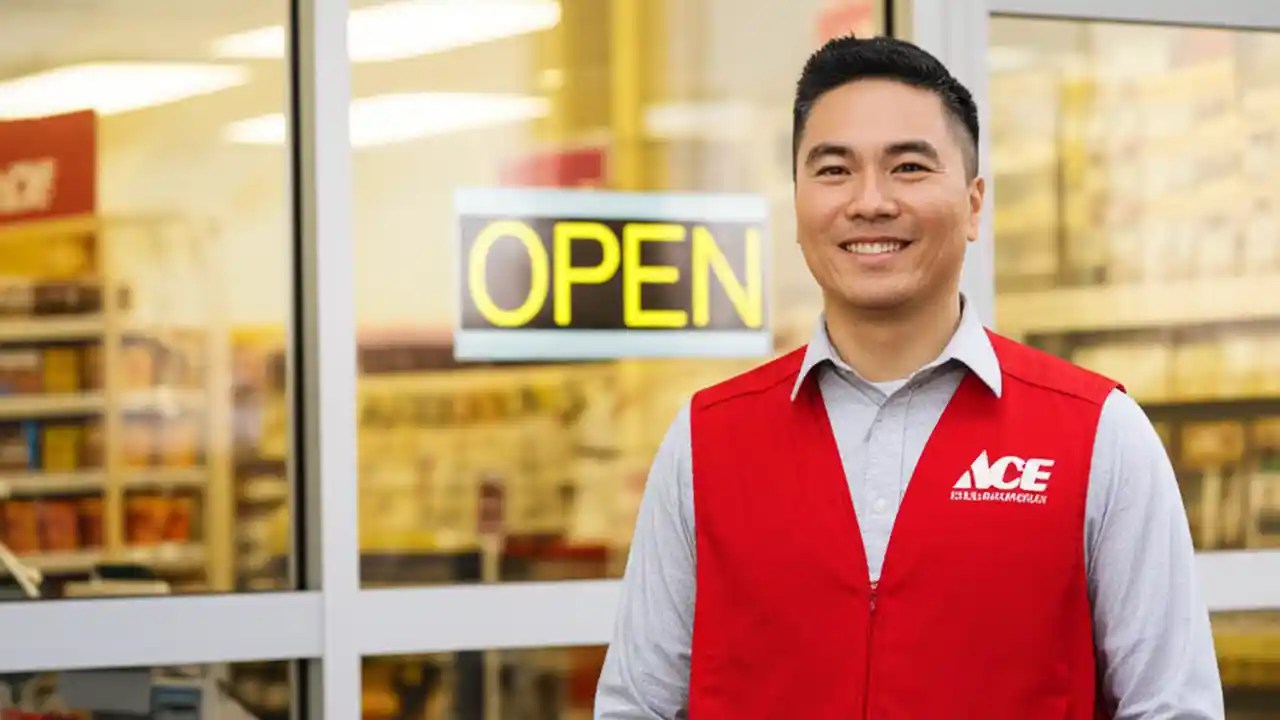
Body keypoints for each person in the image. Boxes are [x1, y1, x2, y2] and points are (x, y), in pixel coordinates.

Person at [594, 35, 1224, 719]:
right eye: (834, 170)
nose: (870, 201)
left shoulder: (1097, 433)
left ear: (975, 203)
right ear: (799, 206)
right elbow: (638, 706)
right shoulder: (706, 441)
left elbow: (1172, 707)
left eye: (909, 168)